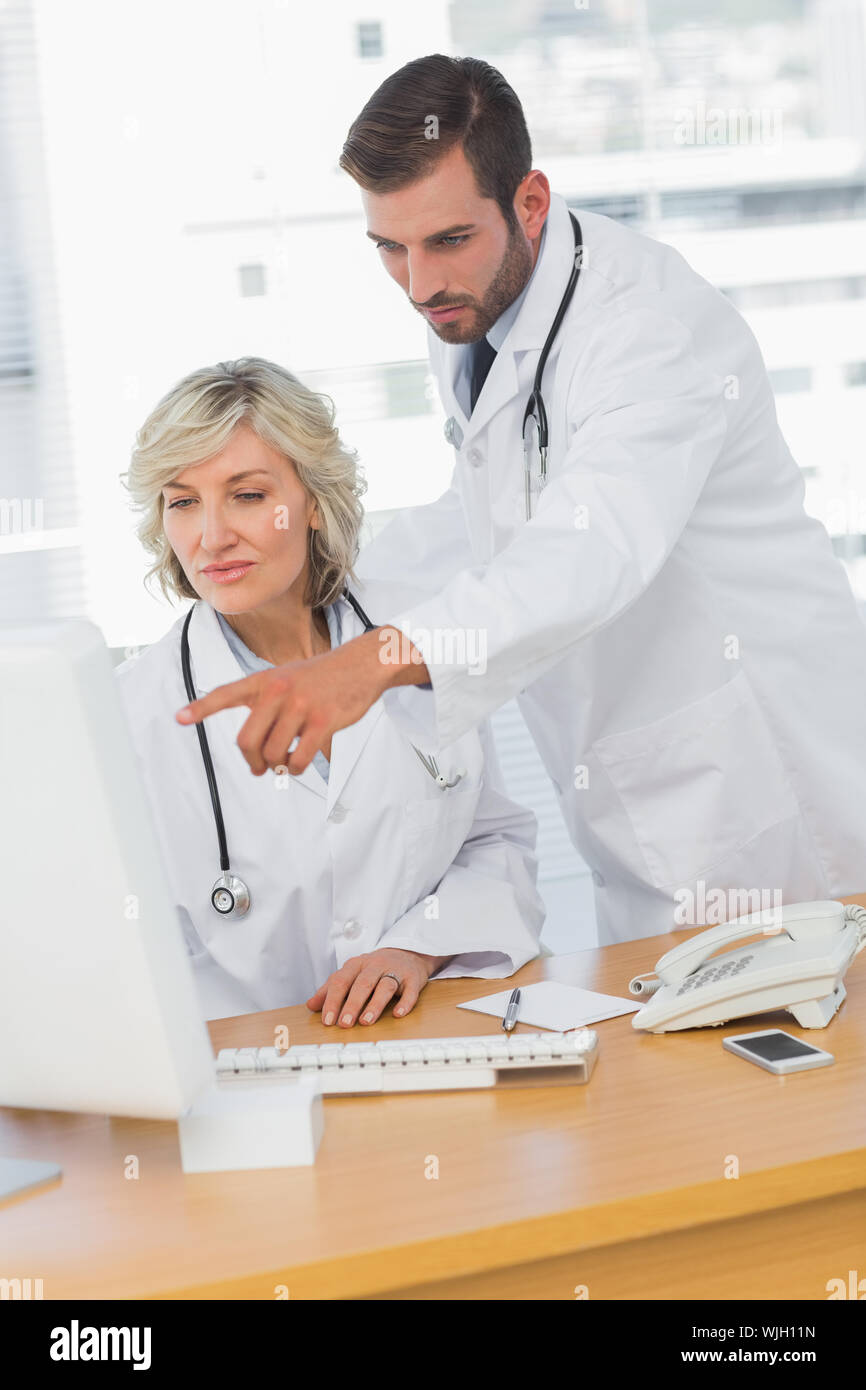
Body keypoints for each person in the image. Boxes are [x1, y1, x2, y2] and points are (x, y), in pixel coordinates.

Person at [176, 56, 866, 947]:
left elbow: (586, 548)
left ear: (530, 202)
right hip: (644, 799)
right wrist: (307, 584)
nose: (420, 284)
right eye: (391, 248)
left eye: (448, 240)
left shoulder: (650, 333)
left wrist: (374, 661)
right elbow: (489, 512)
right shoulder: (473, 312)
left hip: (775, 793)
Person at [115, 356, 543, 1022]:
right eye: (182, 502)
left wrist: (417, 949)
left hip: (426, 1039)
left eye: (248, 495)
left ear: (313, 502)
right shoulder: (131, 714)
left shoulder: (412, 644)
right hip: (246, 1079)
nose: (211, 536)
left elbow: (494, 844)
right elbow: (117, 954)